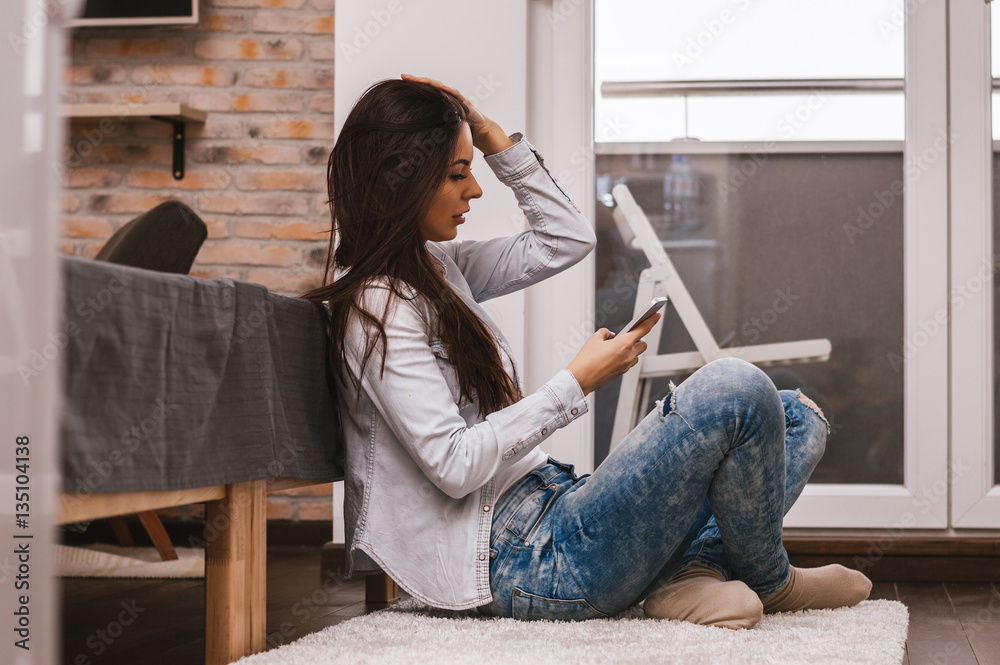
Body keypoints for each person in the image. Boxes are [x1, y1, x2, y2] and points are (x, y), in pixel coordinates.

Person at [301, 74, 872, 629]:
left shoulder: (436, 267)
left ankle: (691, 573)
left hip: (551, 505)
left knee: (793, 414)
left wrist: (496, 140)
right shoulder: (378, 307)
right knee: (736, 389)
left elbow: (566, 239)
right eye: (457, 175)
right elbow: (453, 467)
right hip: (522, 560)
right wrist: (576, 382)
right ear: (401, 180)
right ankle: (771, 582)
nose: (474, 189)